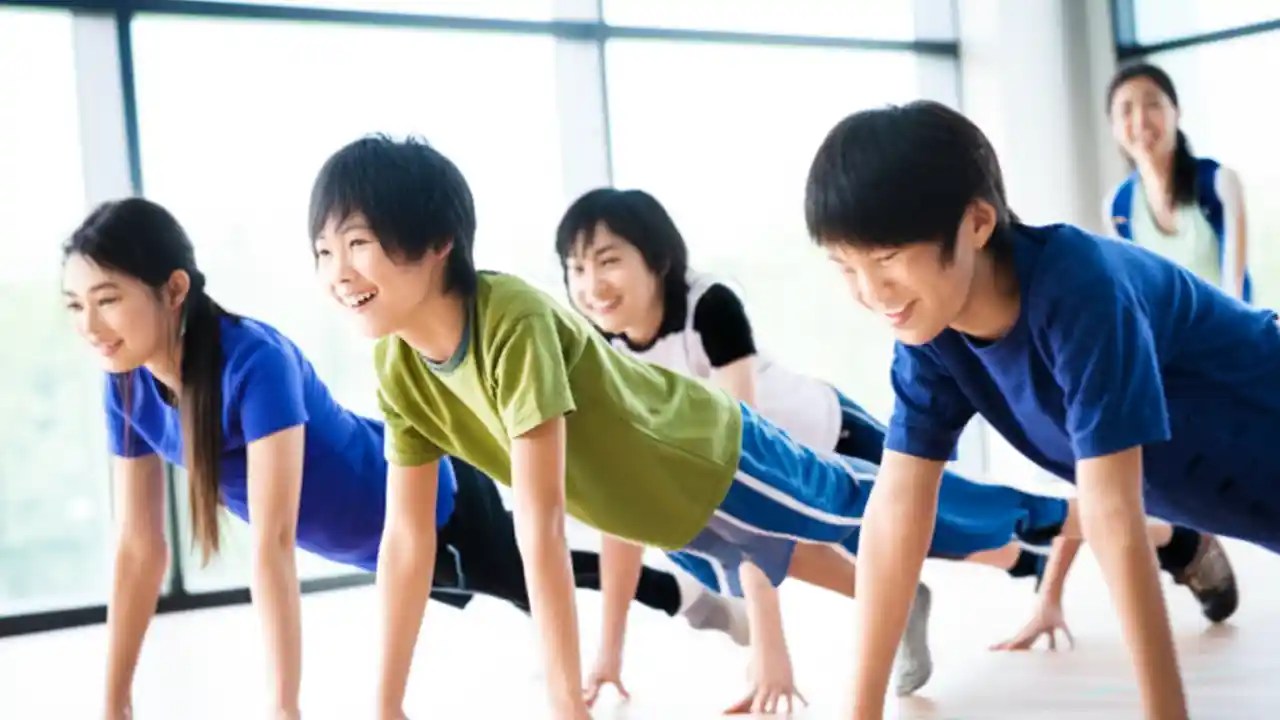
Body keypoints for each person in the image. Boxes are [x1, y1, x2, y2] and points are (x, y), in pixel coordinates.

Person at [309, 134, 949, 719]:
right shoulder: (397, 366)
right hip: (653, 507)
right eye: (325, 250)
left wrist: (567, 703)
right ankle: (897, 592)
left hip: (707, 450)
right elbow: (405, 540)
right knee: (780, 551)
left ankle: (1021, 524)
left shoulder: (513, 321)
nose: (339, 271)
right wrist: (386, 707)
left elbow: (541, 522)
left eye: (359, 244)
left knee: (870, 501)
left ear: (435, 242)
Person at [62, 197, 745, 720]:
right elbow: (137, 548)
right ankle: (659, 607)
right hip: (375, 542)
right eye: (75, 306)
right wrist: (114, 701)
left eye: (108, 300)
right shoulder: (123, 387)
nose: (90, 327)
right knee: (531, 586)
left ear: (174, 289)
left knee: (536, 577)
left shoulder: (253, 360)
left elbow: (272, 544)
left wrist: (283, 707)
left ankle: (687, 597)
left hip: (433, 504)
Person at [553, 186, 1236, 699]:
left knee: (994, 521)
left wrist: (769, 645)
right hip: (789, 495)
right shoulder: (608, 353)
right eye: (576, 269)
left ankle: (1172, 539)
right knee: (697, 530)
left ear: (659, 257)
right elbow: (632, 513)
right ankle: (936, 587)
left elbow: (741, 470)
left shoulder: (709, 308)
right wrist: (608, 655)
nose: (592, 286)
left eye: (607, 261)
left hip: (835, 445)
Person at [803, 99, 1264, 720]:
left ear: (976, 222)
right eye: (845, 266)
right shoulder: (931, 338)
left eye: (885, 258)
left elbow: (1112, 514)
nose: (869, 291)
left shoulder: (1079, 288)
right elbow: (896, 512)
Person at [1105, 62, 1252, 302]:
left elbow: (1237, 291)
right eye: (1126, 110)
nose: (1141, 120)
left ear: (1177, 111)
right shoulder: (1117, 206)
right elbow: (1134, 297)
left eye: (1152, 104)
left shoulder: (1218, 183)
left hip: (1230, 332)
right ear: (1114, 127)